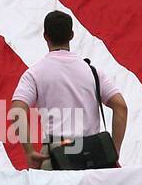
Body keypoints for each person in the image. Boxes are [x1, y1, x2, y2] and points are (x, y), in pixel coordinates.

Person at [8, 10, 128, 169]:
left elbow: (17, 110)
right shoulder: (93, 72)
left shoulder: (34, 73)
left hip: (57, 153)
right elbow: (120, 106)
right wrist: (114, 150)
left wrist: (29, 151)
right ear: (71, 35)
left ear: (45, 36)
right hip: (93, 156)